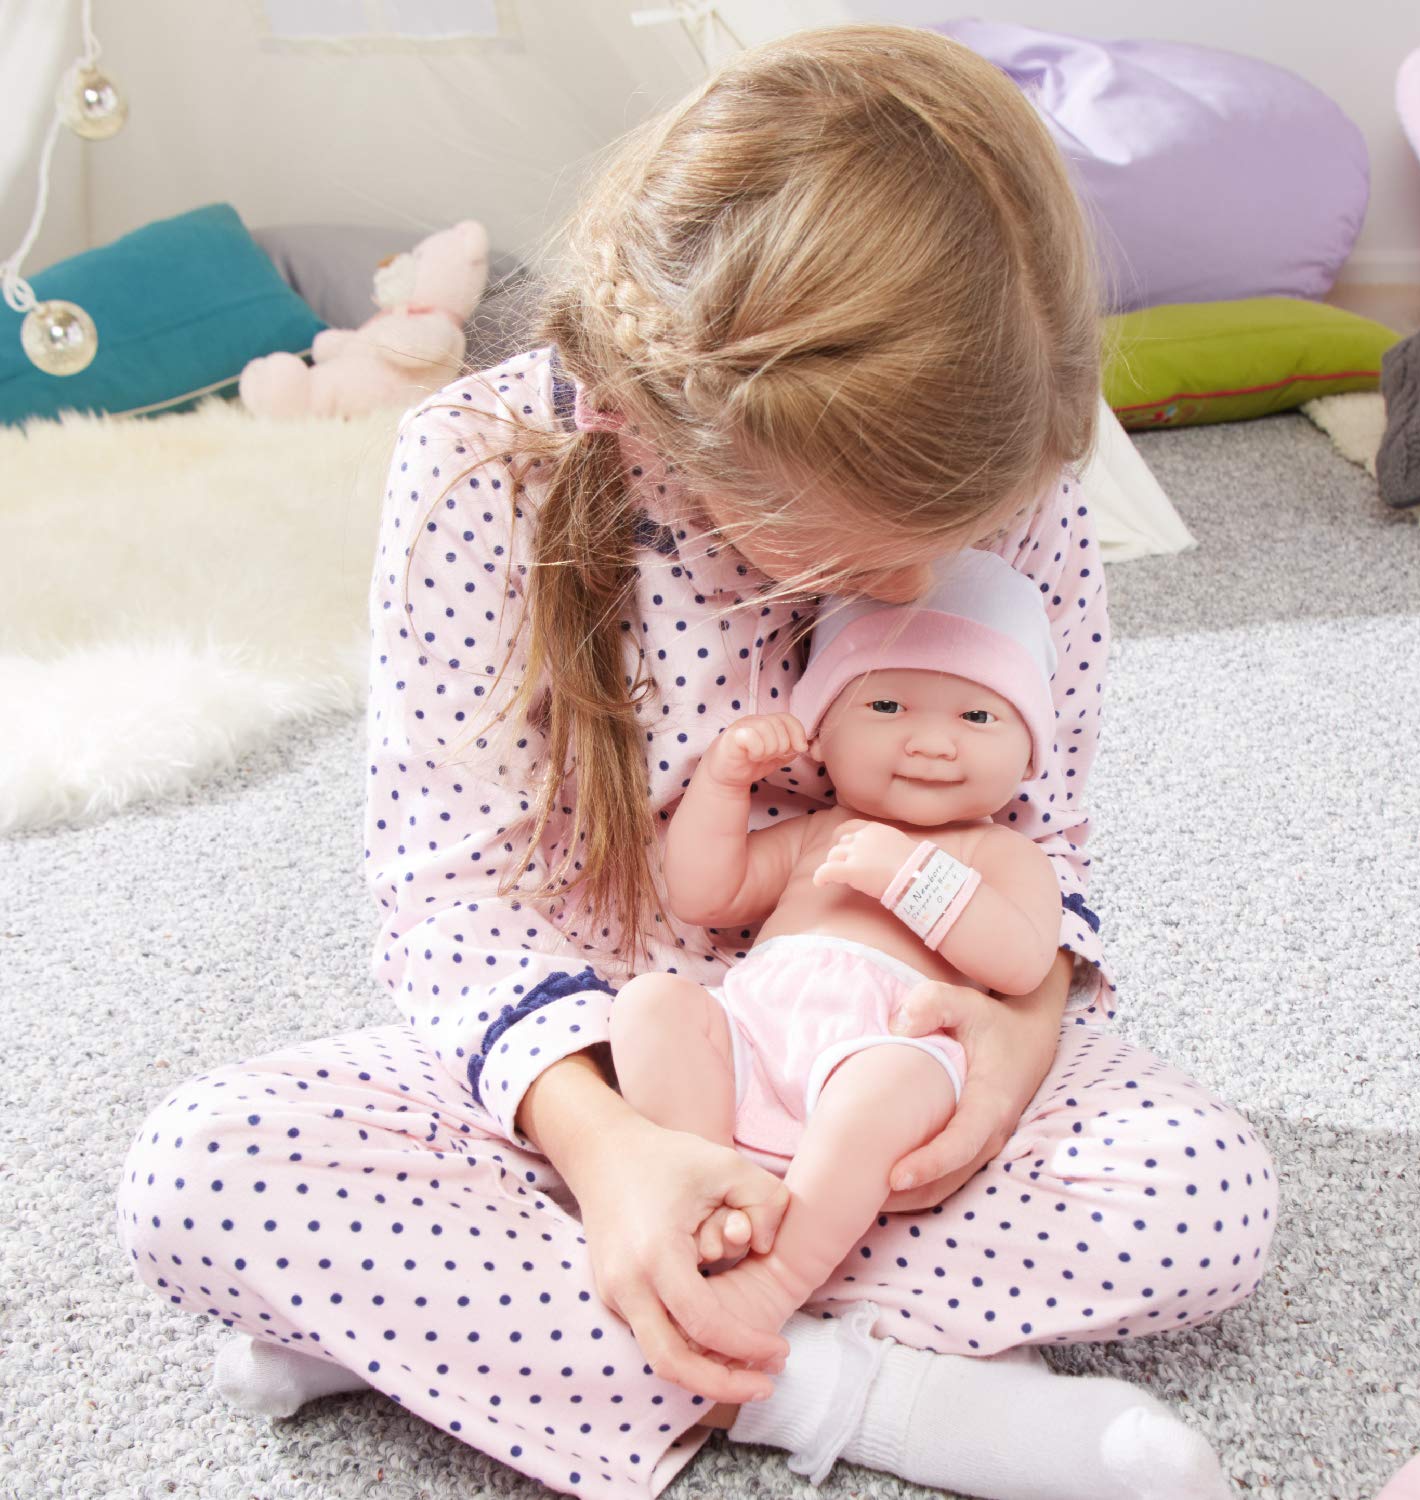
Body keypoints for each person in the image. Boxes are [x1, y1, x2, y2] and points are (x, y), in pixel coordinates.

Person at [115, 23, 1277, 1500]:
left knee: (1198, 1201)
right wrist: (613, 1163)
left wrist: (1011, 1050)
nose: (919, 586)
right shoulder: (483, 471)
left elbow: (1040, 842)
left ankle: (470, 1332)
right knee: (203, 1173)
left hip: (890, 1077)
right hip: (592, 1070)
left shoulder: (999, 471)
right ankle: (852, 1396)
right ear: (683, 423)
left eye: (951, 535)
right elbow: (449, 900)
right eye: (849, 542)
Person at [609, 549, 1067, 1342]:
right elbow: (703, 897)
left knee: (885, 1087)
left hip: (888, 1043)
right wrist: (721, 788)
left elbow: (1023, 963)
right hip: (755, 1030)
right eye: (887, 706)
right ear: (820, 738)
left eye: (976, 717)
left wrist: (913, 879)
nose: (929, 742)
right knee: (652, 1005)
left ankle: (778, 1277)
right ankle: (704, 1180)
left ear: (1028, 757)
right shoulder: (818, 833)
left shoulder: (1003, 855)